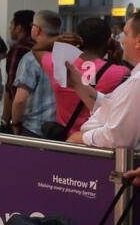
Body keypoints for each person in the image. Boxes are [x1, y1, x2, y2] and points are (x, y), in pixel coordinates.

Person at [39, 16, 130, 139]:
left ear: (78, 39)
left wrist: (59, 39)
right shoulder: (121, 72)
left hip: (63, 139)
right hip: (93, 142)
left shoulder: (61, 64)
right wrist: (117, 61)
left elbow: (37, 49)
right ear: (108, 41)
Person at [66, 13, 140, 149]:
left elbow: (117, 137)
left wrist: (82, 137)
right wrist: (78, 83)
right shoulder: (127, 73)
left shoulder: (136, 80)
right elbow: (110, 106)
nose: (122, 41)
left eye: (126, 34)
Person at [9, 10, 61, 137]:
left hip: (34, 129)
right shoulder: (69, 55)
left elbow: (20, 100)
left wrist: (15, 123)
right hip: (60, 129)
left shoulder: (31, 59)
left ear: (37, 29)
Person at [1, 9, 36, 131]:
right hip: (37, 117)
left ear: (19, 28)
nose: (10, 29)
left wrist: (7, 120)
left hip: (20, 118)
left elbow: (12, 89)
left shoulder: (18, 49)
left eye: (12, 25)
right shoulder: (40, 49)